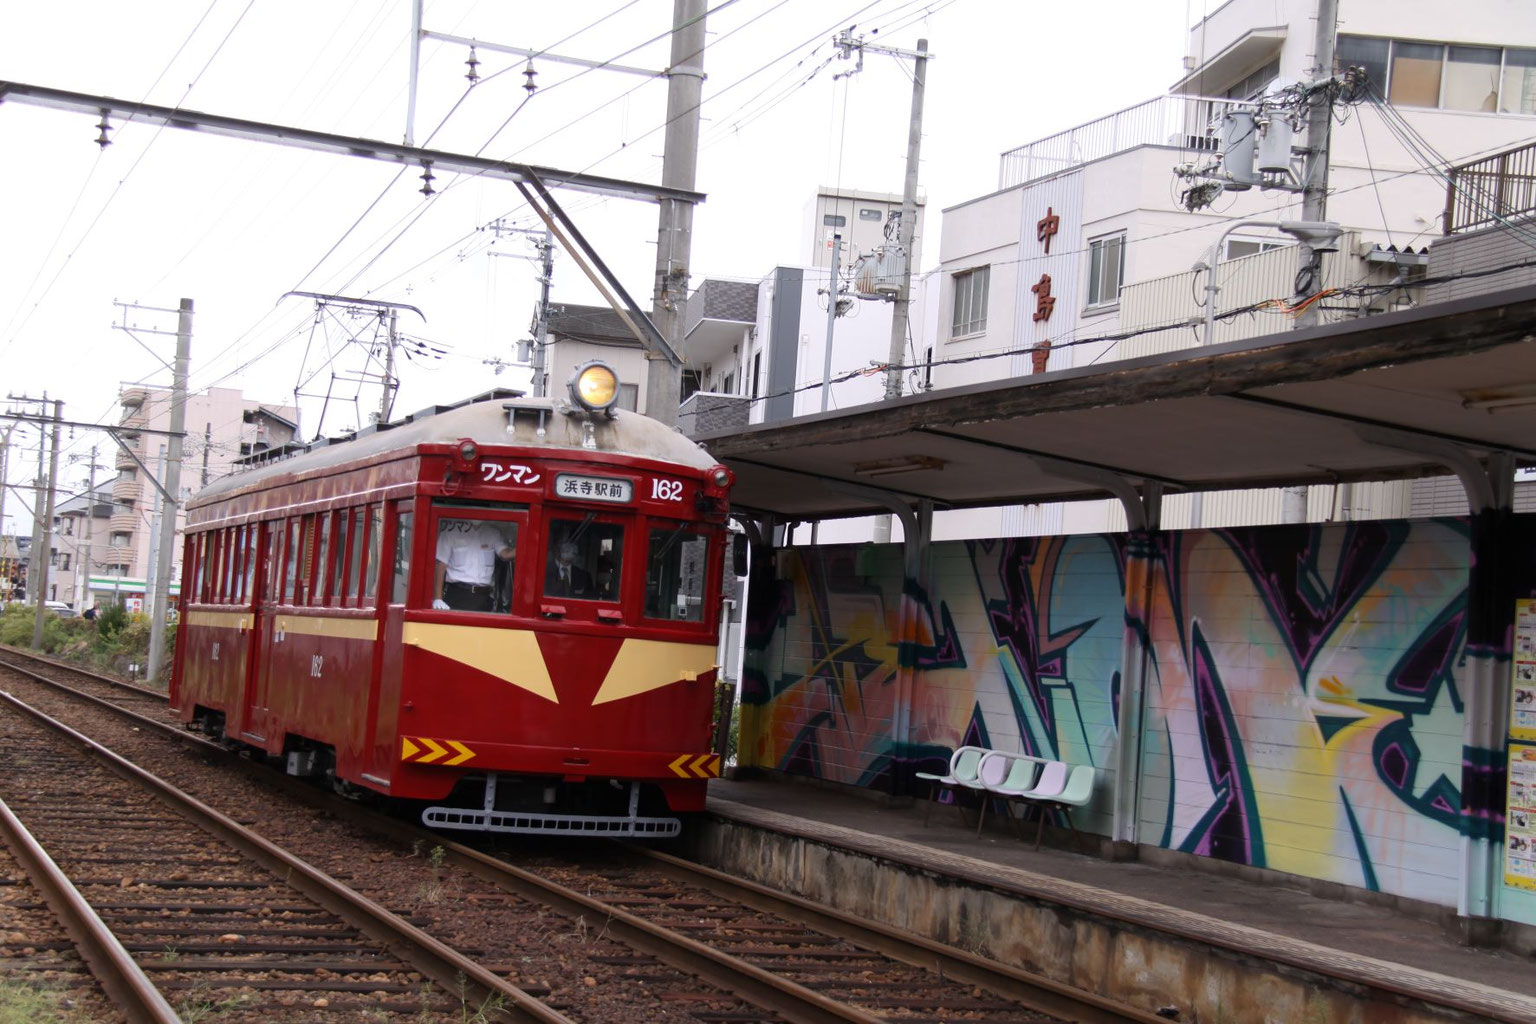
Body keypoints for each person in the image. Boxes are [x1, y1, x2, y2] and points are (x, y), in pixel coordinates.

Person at [434, 520, 515, 612]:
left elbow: (505, 554)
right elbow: (440, 565)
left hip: (484, 597)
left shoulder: (492, 533)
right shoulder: (451, 531)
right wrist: (438, 598)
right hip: (458, 593)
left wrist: (527, 545)